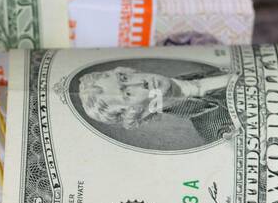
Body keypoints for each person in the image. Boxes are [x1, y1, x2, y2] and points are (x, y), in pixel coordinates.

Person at [75, 62, 236, 149]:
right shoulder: (214, 127)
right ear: (135, 112)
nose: (141, 83)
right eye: (128, 94)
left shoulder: (206, 64)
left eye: (124, 78)